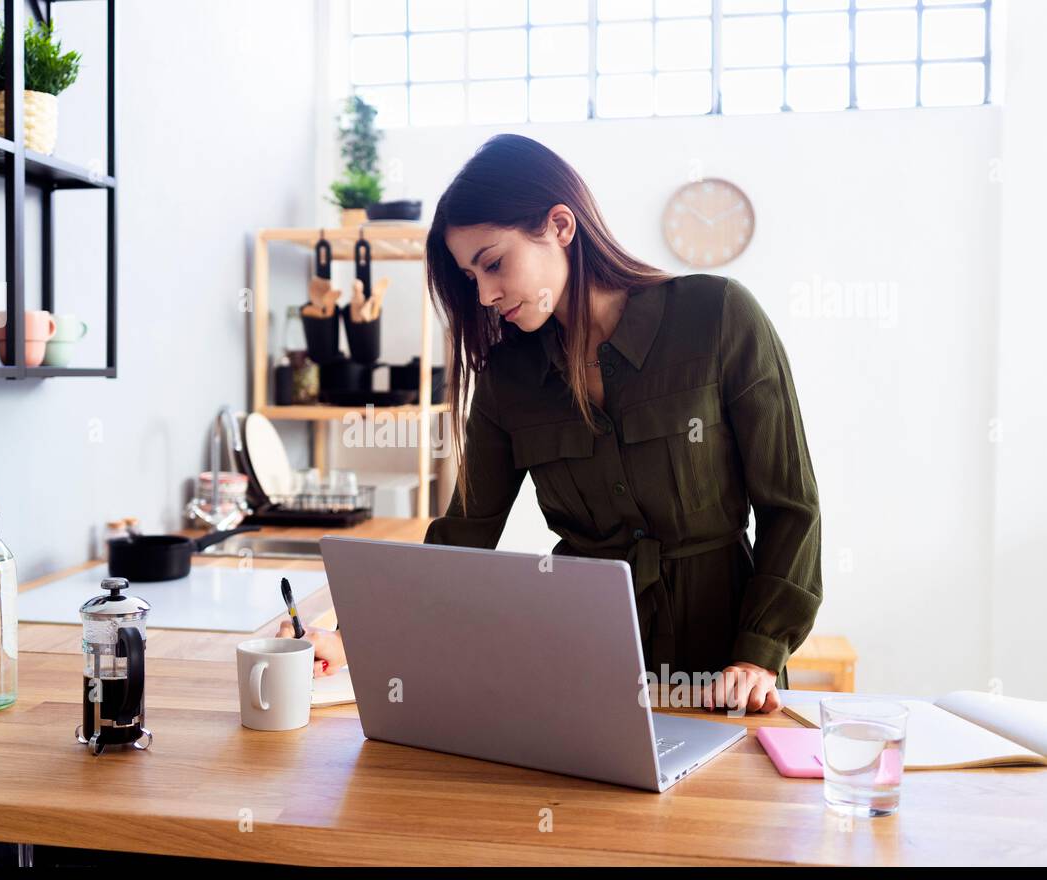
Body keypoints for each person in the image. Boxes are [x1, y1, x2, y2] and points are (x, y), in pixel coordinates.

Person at [279, 133, 822, 715]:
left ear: (560, 225)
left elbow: (791, 505)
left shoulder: (717, 317)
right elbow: (463, 537)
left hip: (731, 675)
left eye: (493, 263)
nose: (485, 294)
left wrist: (758, 653)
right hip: (585, 669)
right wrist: (358, 635)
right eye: (471, 278)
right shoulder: (506, 379)